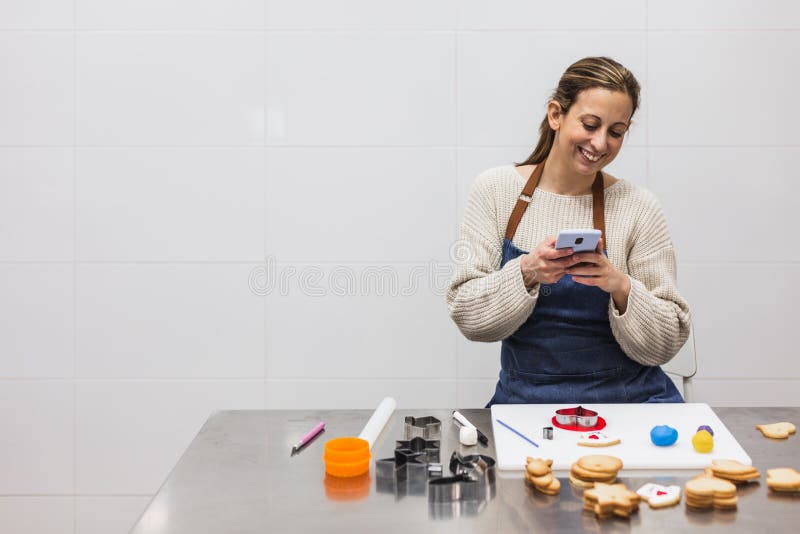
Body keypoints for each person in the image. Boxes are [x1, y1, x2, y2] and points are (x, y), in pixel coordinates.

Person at [447, 57, 690, 406]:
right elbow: (468, 316)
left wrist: (620, 286)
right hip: (527, 403)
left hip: (634, 402)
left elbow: (667, 342)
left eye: (616, 132)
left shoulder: (639, 206)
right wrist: (527, 271)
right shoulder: (495, 191)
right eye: (590, 124)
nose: (601, 143)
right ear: (556, 115)